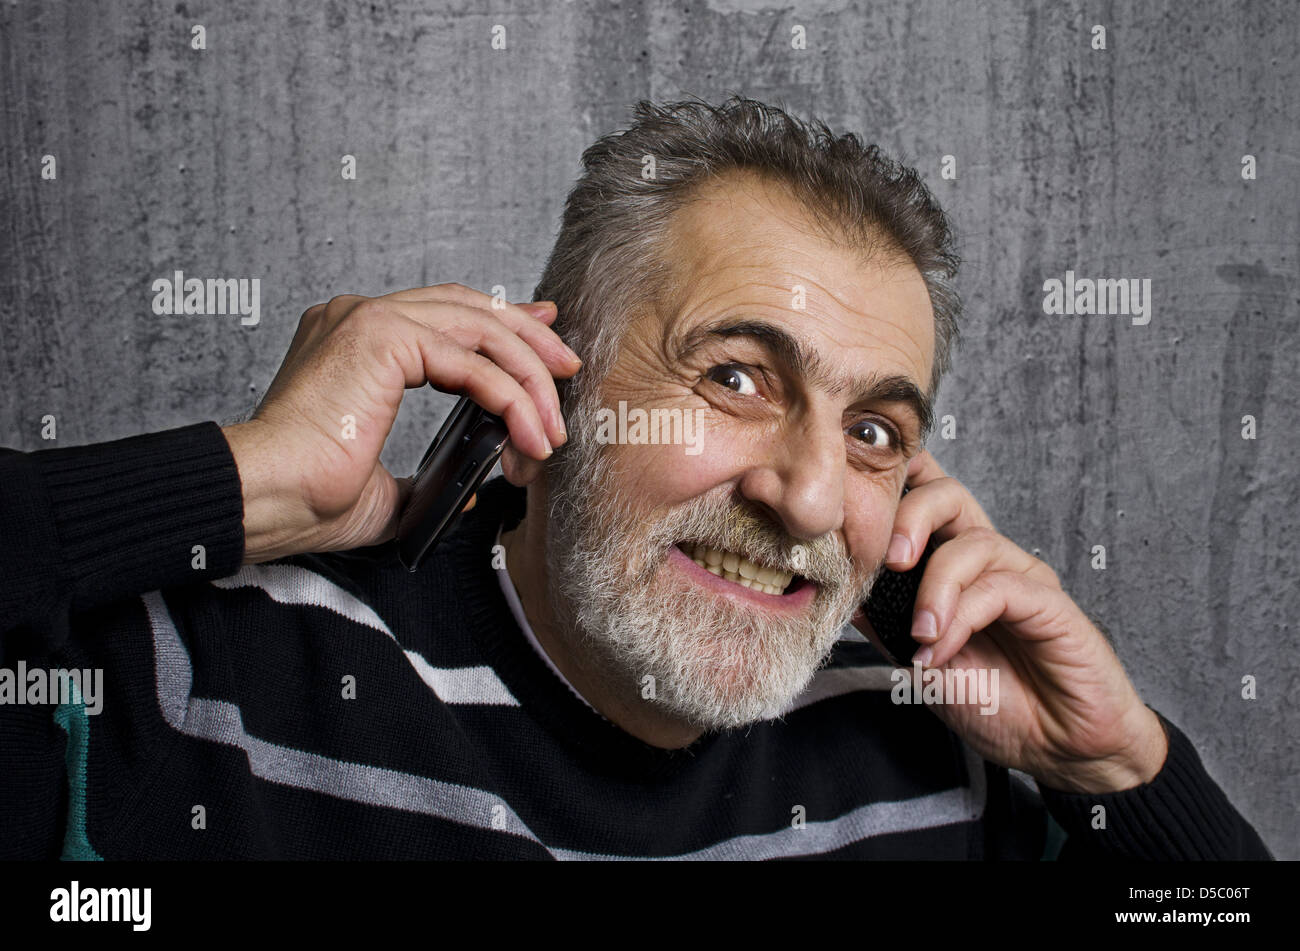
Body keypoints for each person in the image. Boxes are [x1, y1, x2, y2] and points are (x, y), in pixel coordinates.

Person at [0, 97, 1272, 859]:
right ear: (549, 384)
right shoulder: (199, 690)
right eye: (732, 378)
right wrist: (235, 484)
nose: (812, 498)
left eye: (875, 434)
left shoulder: (950, 757)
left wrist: (1123, 774)